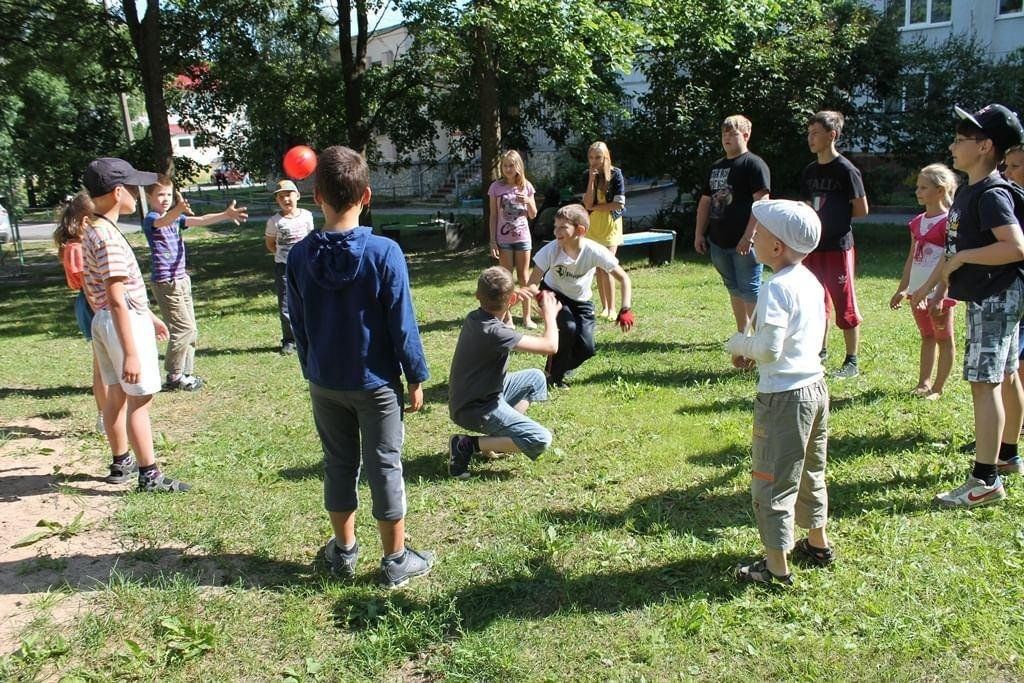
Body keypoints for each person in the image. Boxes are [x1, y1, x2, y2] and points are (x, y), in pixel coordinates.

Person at [286, 145, 434, 588]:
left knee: (338, 463)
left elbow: (298, 321)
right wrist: (416, 375)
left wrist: (311, 366)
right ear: (367, 196)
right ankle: (395, 560)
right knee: (384, 465)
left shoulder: (298, 255)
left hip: (326, 380)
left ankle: (344, 551)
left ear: (317, 197)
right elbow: (401, 321)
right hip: (376, 385)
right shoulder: (385, 252)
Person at [910, 105, 1024, 508]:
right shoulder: (972, 190)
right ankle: (1008, 454)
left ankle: (985, 480)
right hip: (992, 294)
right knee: (1006, 375)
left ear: (985, 146)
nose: (953, 146)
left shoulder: (991, 193)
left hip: (997, 296)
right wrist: (943, 283)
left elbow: (1013, 247)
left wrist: (961, 261)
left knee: (985, 382)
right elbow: (960, 248)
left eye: (961, 140)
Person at [726, 199, 830, 585]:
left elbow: (769, 348)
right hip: (815, 388)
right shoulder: (810, 280)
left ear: (777, 248)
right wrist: (758, 353)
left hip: (784, 398)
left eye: (760, 231)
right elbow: (801, 339)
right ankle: (817, 542)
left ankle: (775, 569)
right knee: (810, 470)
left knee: (771, 479)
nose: (752, 234)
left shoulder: (776, 288)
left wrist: (739, 344)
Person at [80, 157, 190, 492]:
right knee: (140, 400)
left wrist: (149, 314)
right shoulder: (110, 238)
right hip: (119, 322)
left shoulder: (94, 228)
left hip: (106, 320)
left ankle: (120, 460)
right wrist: (129, 351)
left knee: (115, 394)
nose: (137, 195)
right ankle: (150, 474)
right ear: (117, 192)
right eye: (133, 189)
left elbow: (102, 289)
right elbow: (115, 296)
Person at [447, 266, 560, 479]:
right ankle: (466, 444)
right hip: (476, 408)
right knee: (540, 438)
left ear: (477, 296)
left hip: (479, 395)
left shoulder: (476, 318)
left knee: (535, 378)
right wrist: (550, 316)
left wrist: (508, 305)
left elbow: (506, 327)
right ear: (510, 300)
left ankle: (494, 439)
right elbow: (550, 346)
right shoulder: (493, 332)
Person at [142, 176, 247, 391]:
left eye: (168, 195)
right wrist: (178, 209)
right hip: (166, 283)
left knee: (192, 330)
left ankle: (185, 373)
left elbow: (201, 220)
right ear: (148, 197)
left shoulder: (176, 219)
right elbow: (163, 222)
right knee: (183, 329)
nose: (165, 199)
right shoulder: (152, 218)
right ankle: (173, 376)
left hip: (181, 279)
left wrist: (225, 215)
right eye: (160, 195)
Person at [521, 204, 634, 388]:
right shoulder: (551, 249)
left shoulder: (593, 251)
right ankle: (552, 378)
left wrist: (625, 308)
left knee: (587, 348)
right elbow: (532, 284)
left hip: (581, 300)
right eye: (555, 226)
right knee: (568, 328)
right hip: (553, 293)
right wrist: (541, 298)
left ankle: (558, 368)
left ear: (580, 230)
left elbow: (624, 278)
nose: (556, 232)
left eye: (562, 227)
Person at [800, 110, 869, 379]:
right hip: (812, 247)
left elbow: (861, 209)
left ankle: (851, 360)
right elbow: (806, 207)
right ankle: (820, 351)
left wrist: (835, 216)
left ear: (833, 135)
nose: (810, 138)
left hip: (838, 246)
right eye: (809, 133)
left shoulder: (846, 170)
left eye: (815, 133)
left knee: (844, 301)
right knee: (817, 302)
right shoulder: (809, 171)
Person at [694, 115, 771, 333]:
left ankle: (763, 340)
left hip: (745, 243)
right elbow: (705, 202)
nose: (727, 137)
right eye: (724, 133)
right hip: (719, 241)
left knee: (750, 290)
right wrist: (699, 234)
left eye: (733, 133)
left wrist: (749, 236)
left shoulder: (754, 164)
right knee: (734, 289)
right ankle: (743, 336)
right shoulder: (716, 167)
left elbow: (762, 204)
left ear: (746, 135)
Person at [889, 164, 958, 400]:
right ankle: (923, 383)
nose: (918, 191)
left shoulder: (950, 222)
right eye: (918, 187)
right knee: (927, 336)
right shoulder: (917, 222)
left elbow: (949, 260)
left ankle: (938, 388)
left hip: (938, 292)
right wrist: (902, 289)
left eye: (923, 187)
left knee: (944, 337)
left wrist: (941, 291)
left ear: (940, 191)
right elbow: (912, 257)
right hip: (916, 292)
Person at [53, 192, 107, 432]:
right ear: (86, 220)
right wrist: (101, 308)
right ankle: (104, 417)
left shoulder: (84, 242)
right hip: (92, 305)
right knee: (102, 365)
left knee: (109, 363)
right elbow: (85, 282)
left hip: (97, 303)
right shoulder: (76, 247)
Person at [488, 151, 538, 328]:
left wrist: (528, 201)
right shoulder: (496, 187)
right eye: (505, 166)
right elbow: (493, 216)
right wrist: (493, 241)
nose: (508, 169)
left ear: (518, 167)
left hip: (523, 238)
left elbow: (533, 215)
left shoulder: (526, 186)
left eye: (511, 165)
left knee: (524, 277)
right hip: (504, 239)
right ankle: (507, 317)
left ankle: (527, 317)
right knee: (506, 279)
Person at [265, 179, 315, 354]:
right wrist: (285, 257)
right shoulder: (274, 221)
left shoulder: (307, 216)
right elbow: (271, 244)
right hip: (284, 267)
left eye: (289, 194)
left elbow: (311, 239)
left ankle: (309, 336)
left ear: (298, 196)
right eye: (281, 196)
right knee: (286, 305)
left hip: (306, 266)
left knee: (308, 300)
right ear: (277, 200)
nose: (286, 199)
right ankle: (289, 340)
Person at [582, 141, 626, 321]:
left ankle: (613, 308)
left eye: (598, 157)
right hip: (592, 225)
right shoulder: (587, 175)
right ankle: (605, 307)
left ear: (605, 157)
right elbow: (587, 203)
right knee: (598, 268)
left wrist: (597, 207)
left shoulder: (616, 174)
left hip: (610, 224)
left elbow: (618, 203)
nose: (594, 161)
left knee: (607, 266)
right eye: (591, 157)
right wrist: (592, 181)